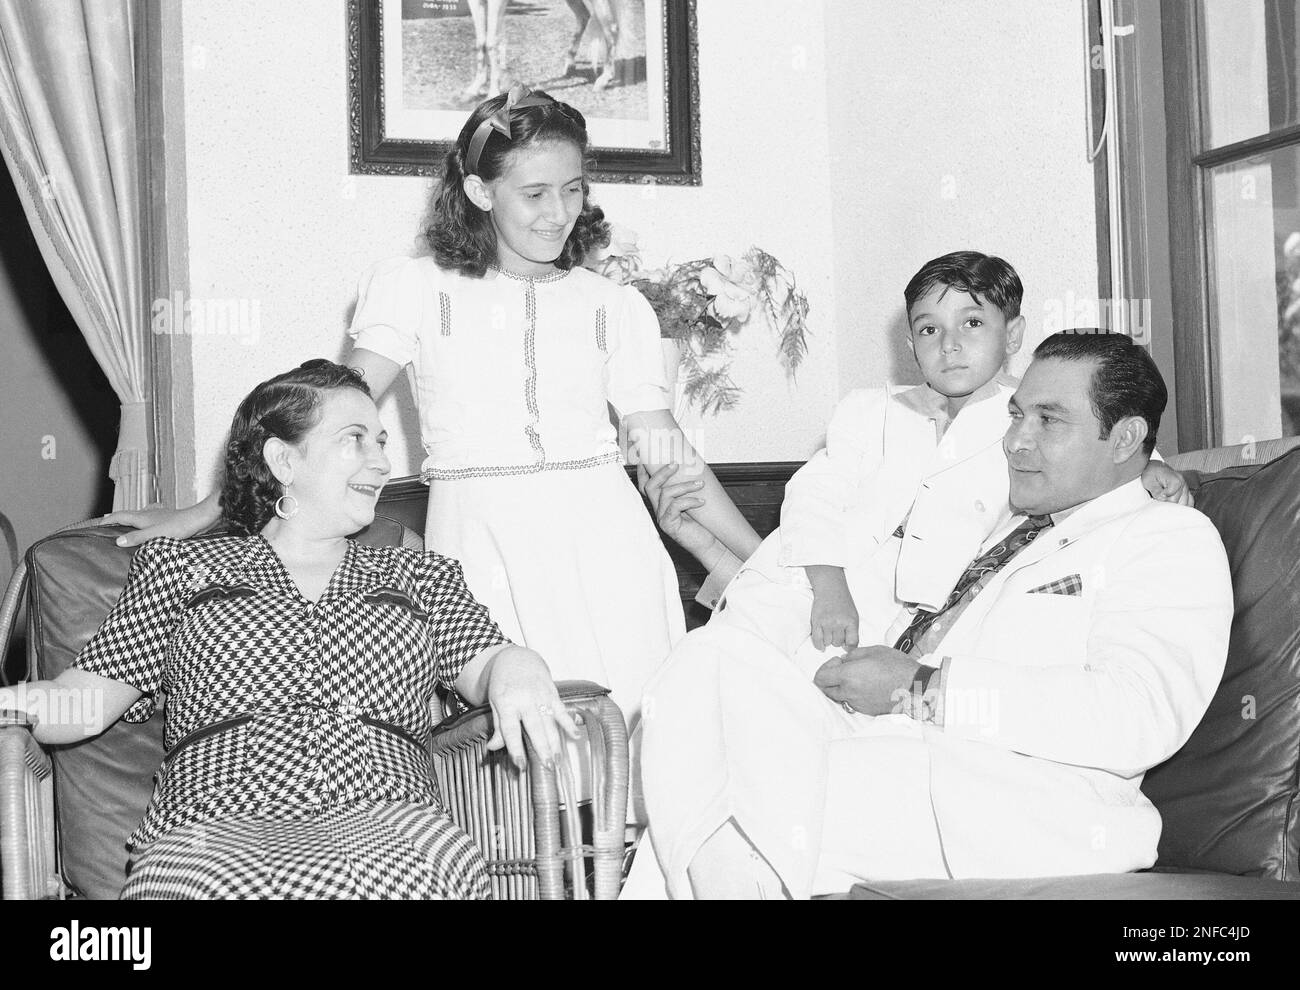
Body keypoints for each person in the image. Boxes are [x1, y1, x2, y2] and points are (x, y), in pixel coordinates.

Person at [105, 85, 759, 739]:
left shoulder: (616, 306)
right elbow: (325, 417)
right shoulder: (414, 288)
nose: (558, 213)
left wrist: (766, 560)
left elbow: (664, 450)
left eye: (573, 189)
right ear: (479, 191)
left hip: (610, 538)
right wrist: (204, 510)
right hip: (480, 538)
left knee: (638, 753)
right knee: (515, 761)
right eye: (535, 193)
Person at [633, 332, 1233, 899]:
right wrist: (712, 553)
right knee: (709, 661)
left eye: (1048, 420)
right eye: (1017, 415)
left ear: (1126, 439)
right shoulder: (1000, 523)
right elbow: (854, 602)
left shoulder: (1166, 535)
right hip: (884, 750)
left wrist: (921, 691)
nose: (1016, 440)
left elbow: (1136, 716)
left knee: (723, 793)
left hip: (1002, 805)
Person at [0, 361, 579, 899]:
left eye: (381, 442)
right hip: (211, 827)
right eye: (355, 439)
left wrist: (521, 667)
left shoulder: (415, 573)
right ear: (284, 461)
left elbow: (488, 661)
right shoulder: (181, 570)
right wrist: (11, 705)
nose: (381, 461)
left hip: (390, 822)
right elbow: (81, 703)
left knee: (401, 879)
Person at [638, 252, 1189, 663]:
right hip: (818, 574)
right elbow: (813, 496)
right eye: (930, 329)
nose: (950, 345)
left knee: (773, 695)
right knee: (720, 661)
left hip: (903, 615)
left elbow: (1104, 440)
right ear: (910, 344)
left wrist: (1153, 465)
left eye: (972, 323)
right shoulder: (869, 410)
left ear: (1014, 333)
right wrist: (829, 588)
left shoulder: (1027, 418)